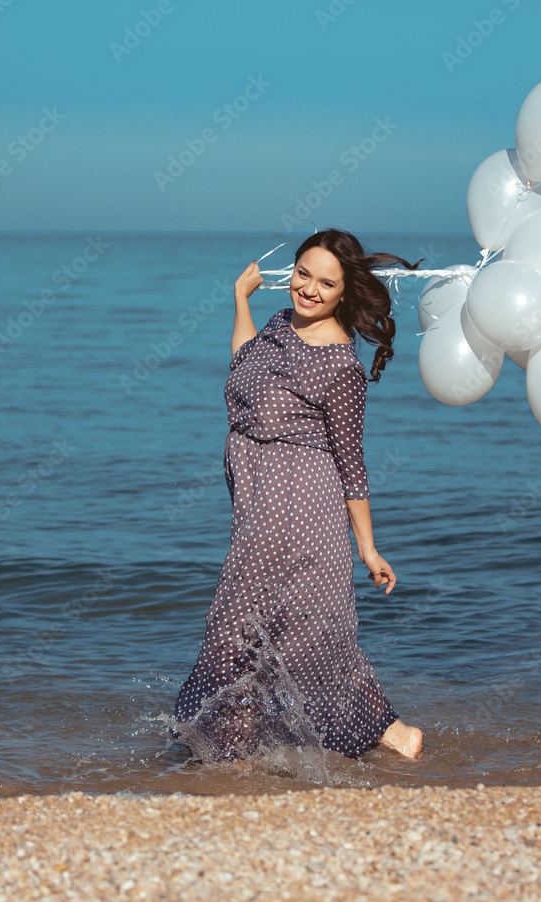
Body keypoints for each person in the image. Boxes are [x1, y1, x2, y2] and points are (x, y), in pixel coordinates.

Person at [173, 229, 423, 761]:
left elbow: (351, 464)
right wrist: (240, 297)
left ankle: (219, 753)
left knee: (245, 625)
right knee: (286, 630)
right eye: (303, 274)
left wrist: (369, 548)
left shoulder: (341, 366)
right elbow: (246, 363)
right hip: (259, 503)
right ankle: (389, 733)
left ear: (344, 292)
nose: (309, 289)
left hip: (296, 507)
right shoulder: (280, 324)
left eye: (325, 283)